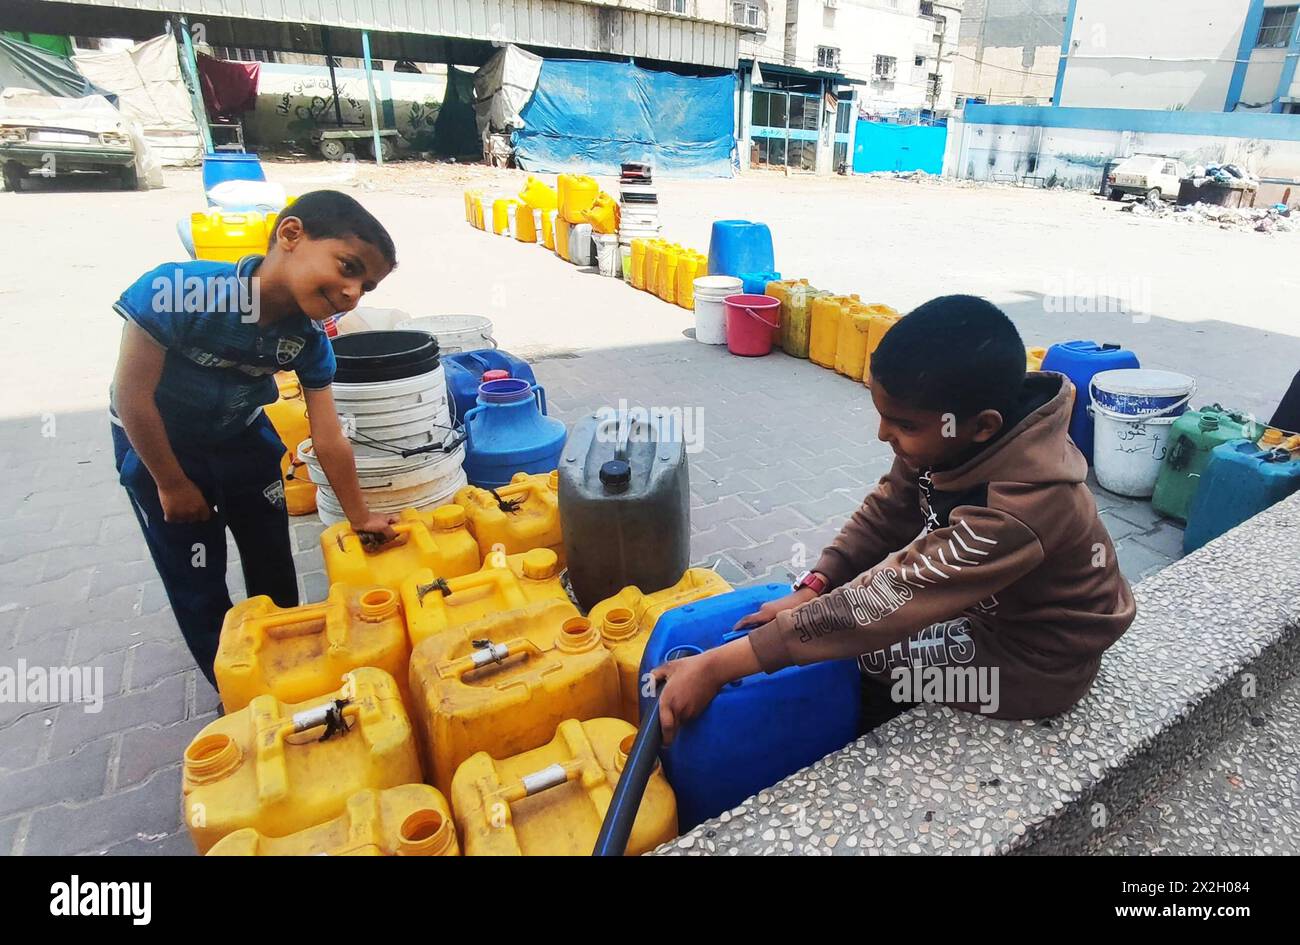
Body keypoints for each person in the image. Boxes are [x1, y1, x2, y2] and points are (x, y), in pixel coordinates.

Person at [651, 295, 1136, 741]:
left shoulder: (1017, 510)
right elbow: (887, 513)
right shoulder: (950, 438)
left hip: (1035, 659)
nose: (884, 434)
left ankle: (863, 743)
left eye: (903, 424)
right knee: (826, 628)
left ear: (982, 425)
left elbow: (879, 603)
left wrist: (718, 667)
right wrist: (813, 586)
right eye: (882, 414)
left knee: (858, 651)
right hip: (990, 606)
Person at [110, 190, 399, 687]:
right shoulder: (178, 293)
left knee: (272, 559)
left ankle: (292, 667)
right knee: (196, 577)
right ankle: (236, 687)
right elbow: (132, 395)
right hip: (159, 447)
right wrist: (172, 484)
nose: (354, 292)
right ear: (291, 234)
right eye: (348, 266)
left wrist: (360, 516)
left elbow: (328, 437)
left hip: (241, 439)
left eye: (366, 286)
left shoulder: (307, 340)